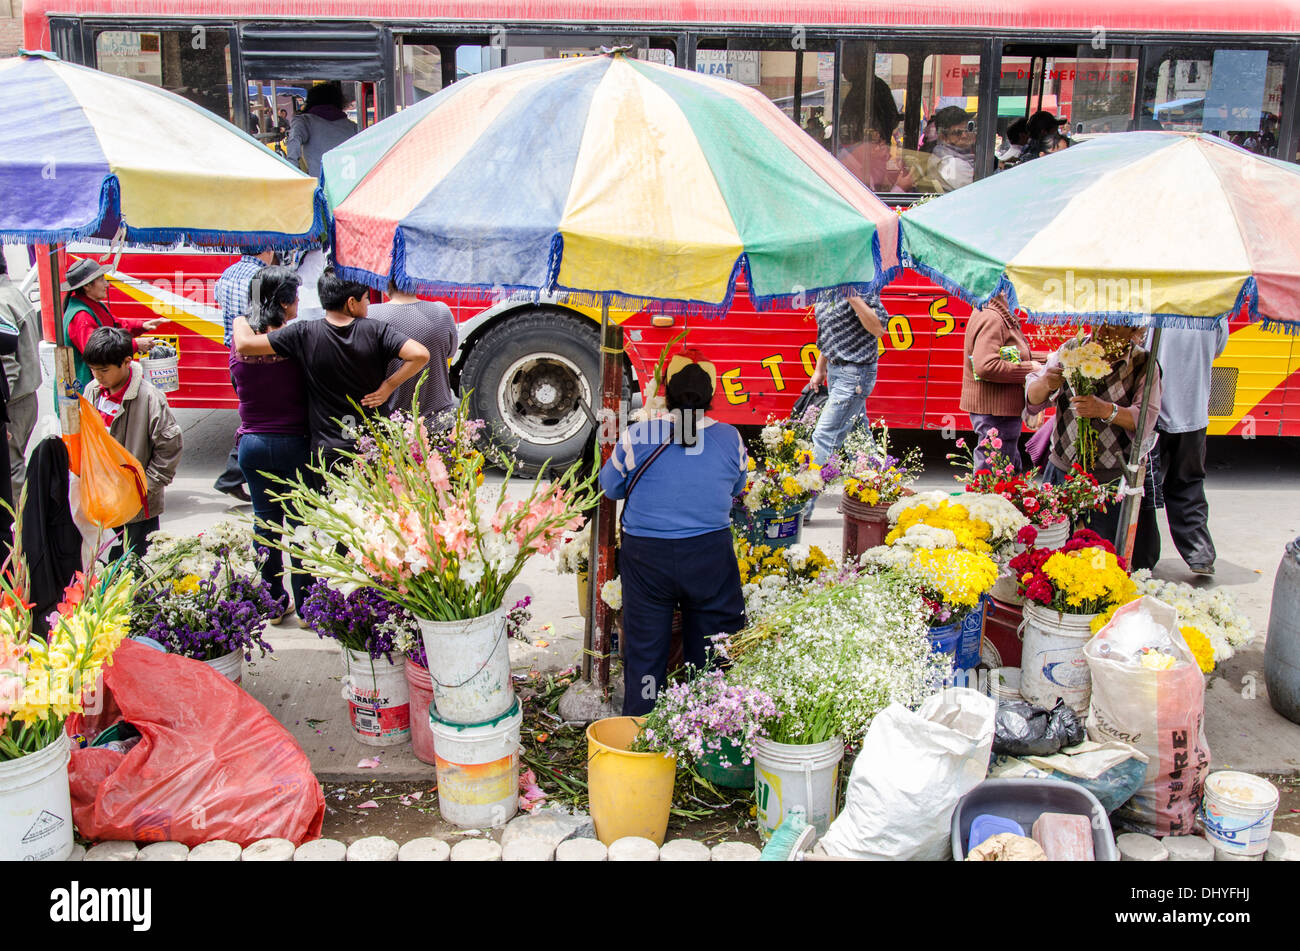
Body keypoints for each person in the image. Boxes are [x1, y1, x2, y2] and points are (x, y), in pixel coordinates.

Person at [598, 355, 748, 716]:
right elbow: (738, 486)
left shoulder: (637, 435)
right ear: (711, 398)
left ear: (667, 396)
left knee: (647, 648)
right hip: (710, 558)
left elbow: (610, 487)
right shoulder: (731, 438)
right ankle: (710, 723)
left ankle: (643, 724)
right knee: (714, 646)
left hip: (648, 560)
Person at [231, 268, 429, 468]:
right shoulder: (376, 330)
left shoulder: (303, 333)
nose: (368, 304)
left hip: (327, 447)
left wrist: (239, 319)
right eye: (366, 299)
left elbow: (246, 345)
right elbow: (420, 354)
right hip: (372, 442)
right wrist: (389, 386)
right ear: (351, 303)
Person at [1025, 325, 1162, 556]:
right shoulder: (1071, 349)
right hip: (1063, 471)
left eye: (1116, 324)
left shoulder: (1144, 363)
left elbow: (1146, 419)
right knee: (1054, 553)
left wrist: (1106, 410)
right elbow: (1033, 399)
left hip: (1110, 479)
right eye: (1100, 321)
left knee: (1102, 559)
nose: (1105, 329)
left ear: (1133, 331)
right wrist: (1046, 384)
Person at [230, 266, 313, 619]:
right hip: (296, 443)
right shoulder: (298, 341)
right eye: (294, 298)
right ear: (284, 301)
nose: (298, 304)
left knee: (265, 525)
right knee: (299, 525)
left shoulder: (240, 344)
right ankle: (309, 607)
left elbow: (238, 387)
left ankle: (273, 603)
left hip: (253, 444)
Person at [1131, 323, 1230, 575]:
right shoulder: (1215, 310)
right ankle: (1199, 554)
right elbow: (1218, 349)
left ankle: (1142, 558)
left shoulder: (1159, 301)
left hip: (1154, 413)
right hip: (1194, 410)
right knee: (1188, 482)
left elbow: (1139, 345)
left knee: (1144, 491)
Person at [81, 326, 183, 559]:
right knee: (106, 566)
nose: (98, 376)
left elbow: (169, 448)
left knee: (137, 567)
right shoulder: (92, 392)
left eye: (104, 370)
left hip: (138, 508)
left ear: (127, 362)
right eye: (93, 369)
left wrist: (144, 487)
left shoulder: (149, 398)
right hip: (102, 501)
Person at [802, 291, 888, 518]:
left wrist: (853, 297)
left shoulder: (862, 288)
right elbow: (829, 335)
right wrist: (820, 368)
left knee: (824, 435)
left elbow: (879, 328)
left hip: (856, 373)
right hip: (837, 371)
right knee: (857, 439)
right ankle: (873, 498)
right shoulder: (828, 288)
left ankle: (801, 507)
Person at [214, 248, 277, 503]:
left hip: (235, 355)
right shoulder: (259, 276)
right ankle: (231, 475)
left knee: (252, 416)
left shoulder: (228, 273)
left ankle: (233, 476)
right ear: (268, 249)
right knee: (258, 420)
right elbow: (258, 317)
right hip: (255, 354)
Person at [959, 294, 1037, 470]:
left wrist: (1048, 359)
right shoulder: (993, 318)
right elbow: (986, 365)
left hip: (999, 411)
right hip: (996, 411)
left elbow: (1012, 356)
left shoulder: (995, 313)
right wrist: (1030, 369)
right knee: (995, 475)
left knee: (1005, 470)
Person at [62, 258, 164, 391]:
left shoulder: (93, 305)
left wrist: (142, 325)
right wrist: (135, 345)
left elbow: (115, 325)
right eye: (101, 280)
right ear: (87, 286)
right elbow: (98, 352)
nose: (107, 285)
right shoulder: (81, 316)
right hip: (83, 390)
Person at [367, 282, 459, 422]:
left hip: (389, 425)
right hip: (437, 421)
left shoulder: (370, 314)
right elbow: (449, 353)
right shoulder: (442, 312)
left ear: (386, 284)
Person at [0, 253, 41, 492]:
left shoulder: (1, 302)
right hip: (25, 400)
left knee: (11, 469)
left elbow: (7, 365)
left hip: (12, 404)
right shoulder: (12, 292)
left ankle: (18, 526)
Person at [286, 82, 358, 178]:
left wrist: (293, 174)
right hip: (348, 185)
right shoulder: (353, 127)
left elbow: (293, 143)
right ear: (339, 102)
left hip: (320, 186)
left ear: (310, 101)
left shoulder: (305, 121)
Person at [928, 106, 977, 192]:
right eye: (957, 133)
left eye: (967, 129)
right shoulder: (951, 163)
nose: (964, 135)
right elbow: (979, 189)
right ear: (943, 137)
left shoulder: (942, 154)